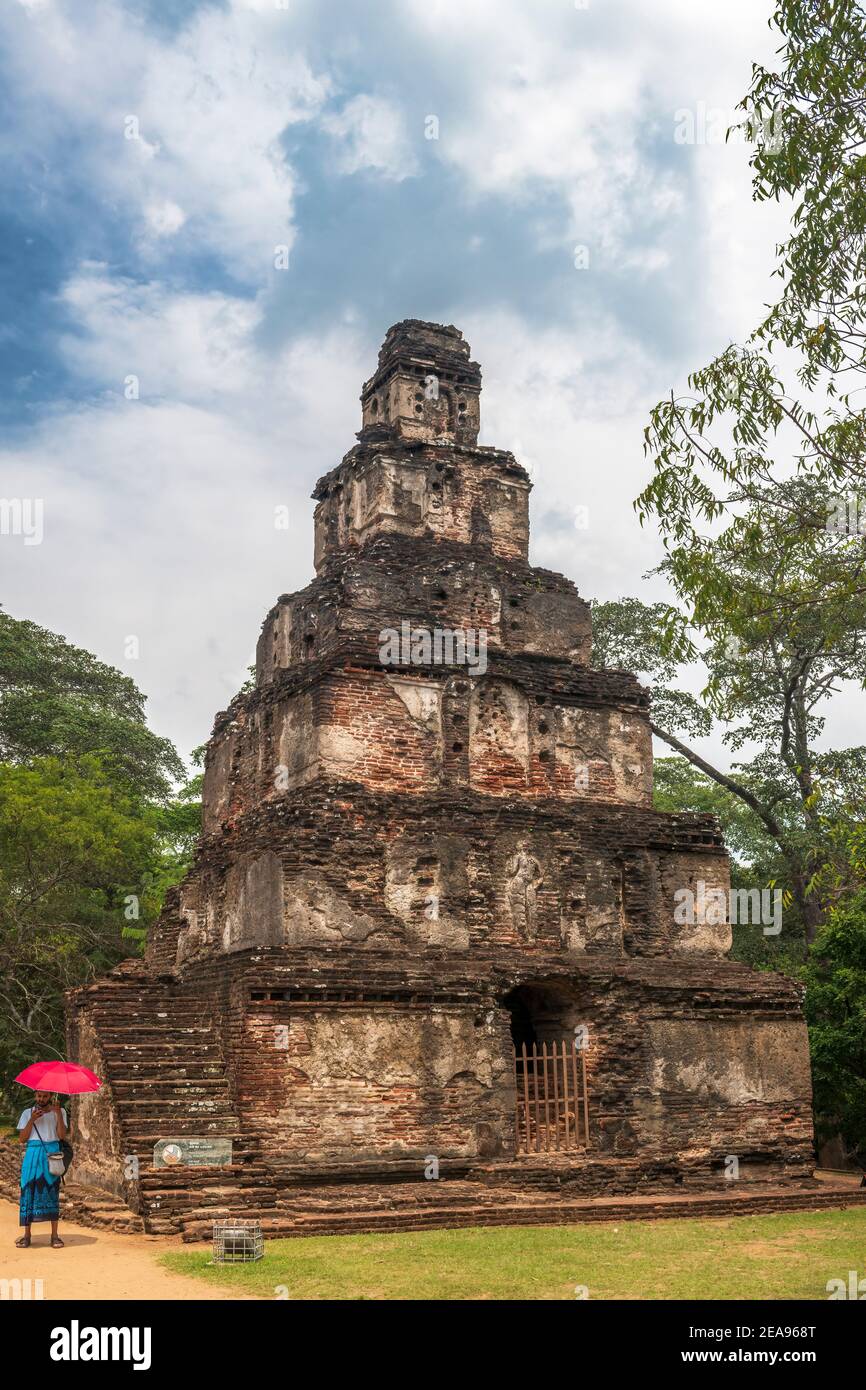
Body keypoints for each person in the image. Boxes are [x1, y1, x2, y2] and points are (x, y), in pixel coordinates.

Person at [16, 1090, 68, 1248]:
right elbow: (22, 1139)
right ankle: (27, 1235)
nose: (42, 1099)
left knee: (52, 1192)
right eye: (39, 1096)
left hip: (51, 1155)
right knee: (28, 1192)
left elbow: (61, 1136)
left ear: (50, 1097)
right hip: (32, 1156)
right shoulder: (27, 1113)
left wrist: (58, 1114)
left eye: (45, 1096)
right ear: (35, 1096)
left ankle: (54, 1236)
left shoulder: (60, 1112)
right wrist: (32, 1119)